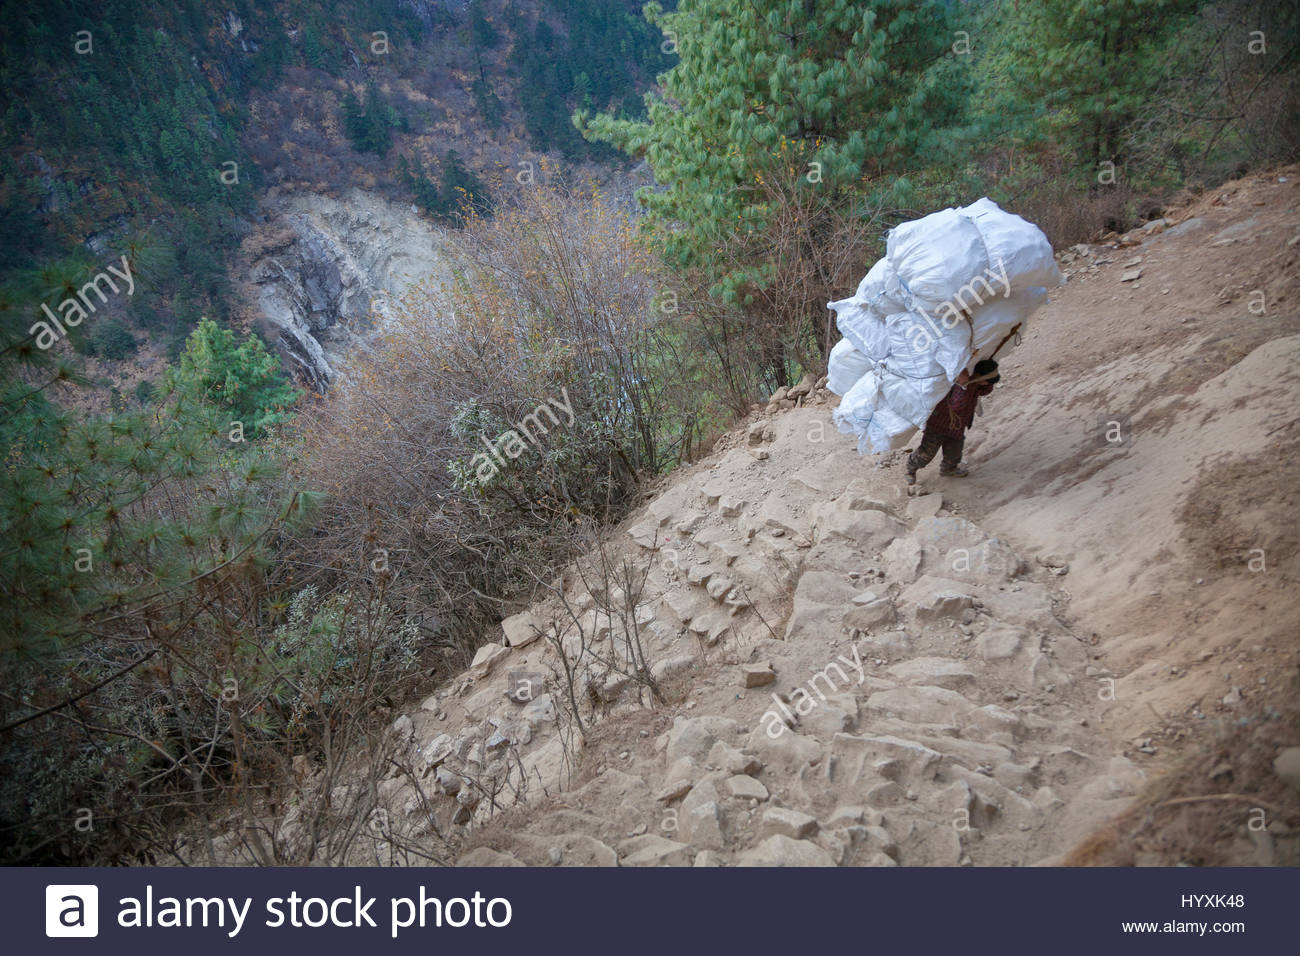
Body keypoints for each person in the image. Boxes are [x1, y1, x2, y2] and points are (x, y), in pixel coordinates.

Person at [905, 359, 1000, 484]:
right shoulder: (958, 384)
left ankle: (949, 469)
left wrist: (987, 384)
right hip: (938, 425)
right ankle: (911, 469)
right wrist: (962, 386)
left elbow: (985, 391)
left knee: (954, 451)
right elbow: (956, 405)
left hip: (957, 427)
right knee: (927, 453)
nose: (986, 384)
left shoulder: (976, 385)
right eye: (987, 381)